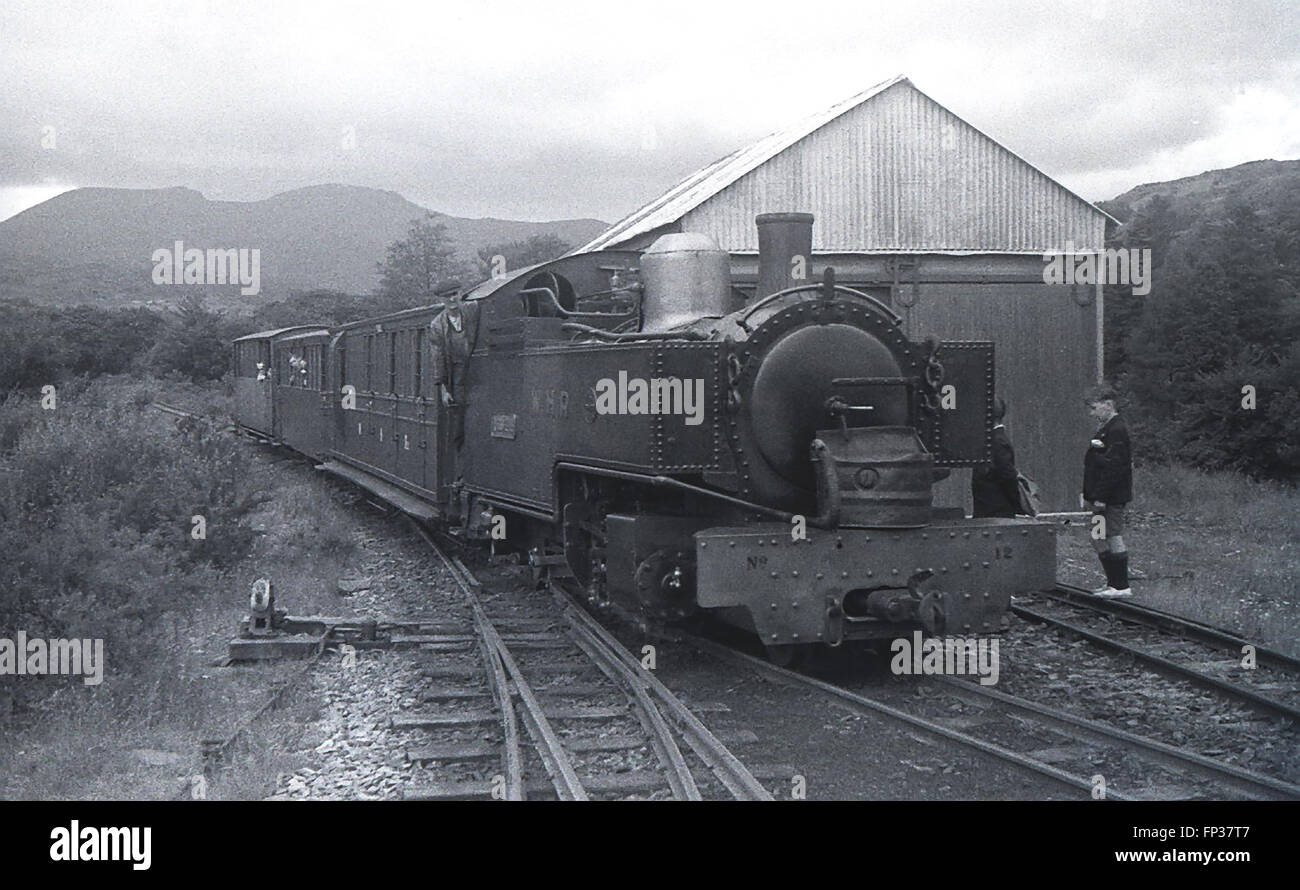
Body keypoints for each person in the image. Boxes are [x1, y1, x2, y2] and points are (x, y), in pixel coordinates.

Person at [1082, 384, 1133, 597]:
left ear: (1108, 404)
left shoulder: (1117, 429)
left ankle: (1121, 586)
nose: (1092, 413)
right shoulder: (1107, 428)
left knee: (1112, 535)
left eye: (1094, 408)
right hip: (1100, 496)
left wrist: (1101, 497)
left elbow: (1115, 467)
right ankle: (1112, 583)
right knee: (1098, 536)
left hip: (1110, 497)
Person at [972, 397, 1021, 518]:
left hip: (995, 512)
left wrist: (1015, 503)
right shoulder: (995, 440)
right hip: (993, 512)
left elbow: (1008, 476)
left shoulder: (996, 442)